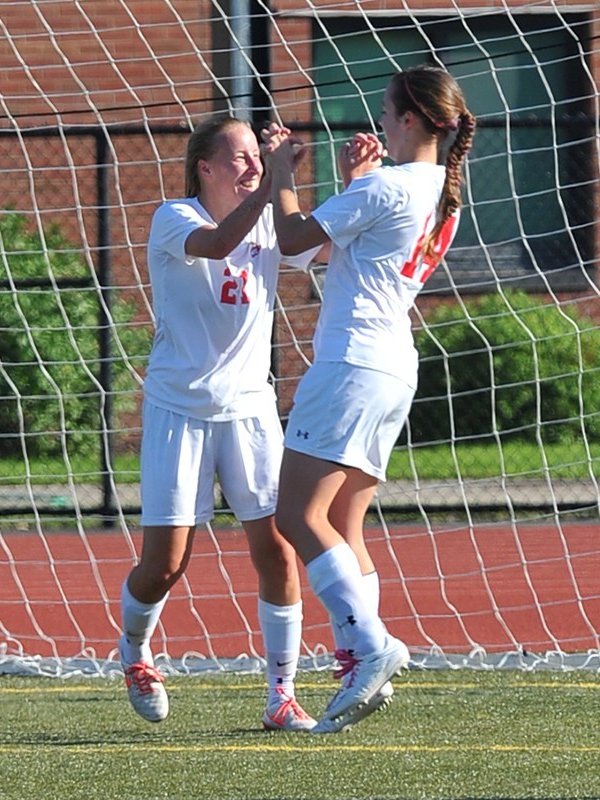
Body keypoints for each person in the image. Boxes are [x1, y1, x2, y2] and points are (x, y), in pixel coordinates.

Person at [267, 64, 475, 733]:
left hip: (352, 362)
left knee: (296, 515)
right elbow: (329, 256)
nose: (379, 120)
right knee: (344, 523)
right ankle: (360, 657)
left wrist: (280, 174)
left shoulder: (389, 185)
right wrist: (353, 184)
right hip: (390, 367)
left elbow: (292, 242)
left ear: (409, 119)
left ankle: (370, 644)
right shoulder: (441, 191)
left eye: (386, 110)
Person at [118, 116, 320, 731]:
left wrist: (357, 181)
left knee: (279, 549)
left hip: (250, 409)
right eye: (240, 157)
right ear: (204, 168)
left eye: (258, 154)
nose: (253, 164)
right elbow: (218, 243)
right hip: (179, 410)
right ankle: (135, 652)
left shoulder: (272, 215)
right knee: (166, 564)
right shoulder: (174, 218)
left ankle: (281, 695)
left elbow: (321, 248)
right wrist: (272, 184)